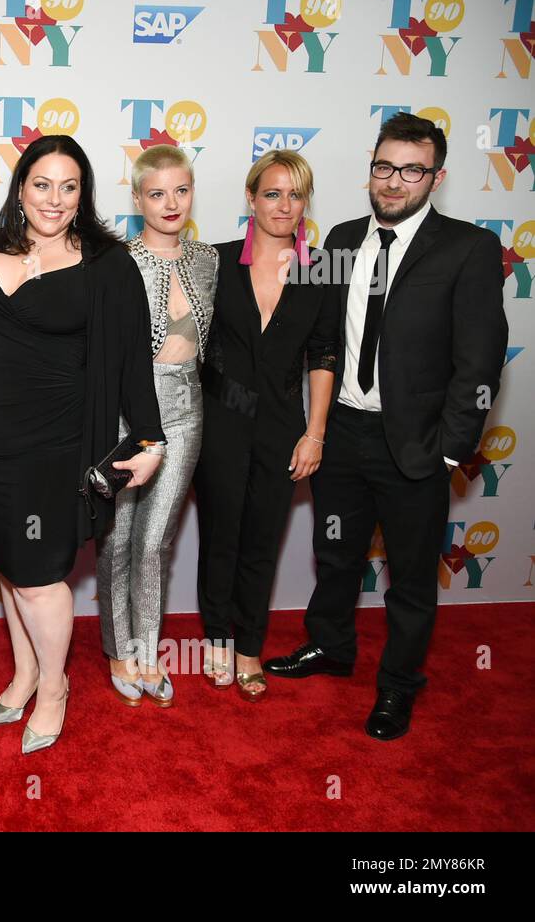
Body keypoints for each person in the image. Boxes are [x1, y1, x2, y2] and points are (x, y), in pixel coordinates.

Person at [265, 113, 508, 739]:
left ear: (437, 176)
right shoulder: (342, 239)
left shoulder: (468, 248)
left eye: (411, 170)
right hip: (342, 432)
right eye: (384, 167)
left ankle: (399, 686)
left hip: (416, 446)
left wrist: (451, 452)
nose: (394, 182)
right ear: (370, 168)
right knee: (336, 552)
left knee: (409, 577)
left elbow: (479, 360)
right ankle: (332, 648)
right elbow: (317, 336)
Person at [0, 134, 163, 754]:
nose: (55, 198)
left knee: (41, 575)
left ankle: (54, 689)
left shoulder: (108, 264)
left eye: (69, 187)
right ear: (21, 189)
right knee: (15, 570)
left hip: (53, 446)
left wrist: (149, 439)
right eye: (42, 184)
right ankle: (23, 674)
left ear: (83, 195)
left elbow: (132, 363)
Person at [194, 150, 340, 701]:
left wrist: (315, 432)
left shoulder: (320, 269)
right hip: (219, 422)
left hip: (284, 428)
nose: (284, 205)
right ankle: (216, 641)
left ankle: (250, 646)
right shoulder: (214, 260)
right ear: (252, 198)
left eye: (295, 195)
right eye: (272, 193)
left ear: (305, 204)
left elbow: (324, 354)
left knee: (262, 541)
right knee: (220, 537)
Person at [97, 144, 217, 709]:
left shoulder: (209, 260)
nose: (171, 203)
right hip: (126, 413)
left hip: (186, 411)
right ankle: (118, 651)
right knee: (117, 537)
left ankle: (148, 652)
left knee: (154, 541)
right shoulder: (114, 260)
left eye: (181, 190)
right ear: (138, 198)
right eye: (157, 193)